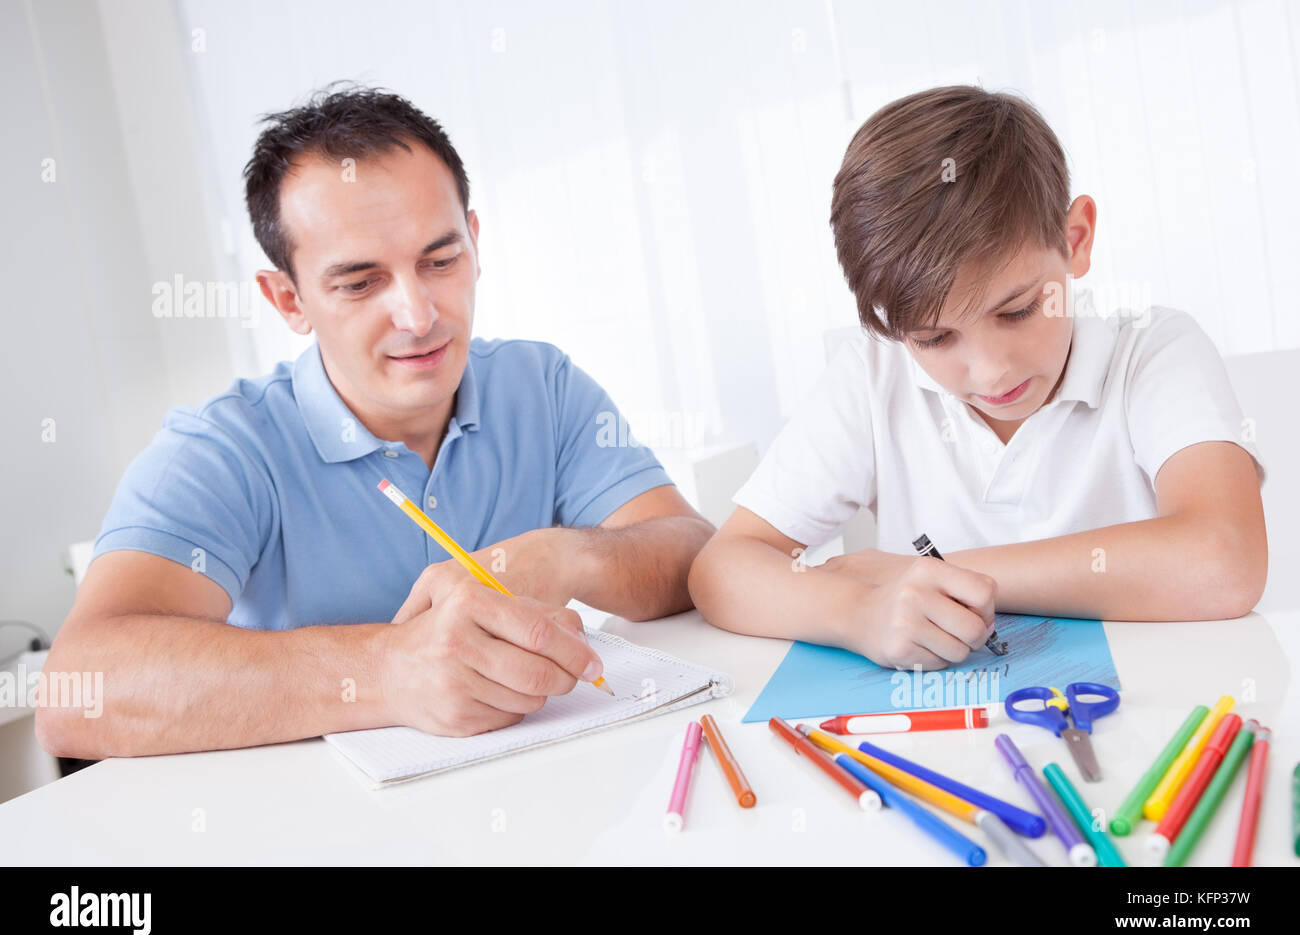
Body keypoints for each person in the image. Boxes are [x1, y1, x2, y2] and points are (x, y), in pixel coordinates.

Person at [38, 85, 713, 757]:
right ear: (288, 300)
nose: (419, 315)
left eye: (441, 260)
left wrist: (567, 555)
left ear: (475, 243)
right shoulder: (223, 448)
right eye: (360, 283)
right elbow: (80, 688)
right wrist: (389, 670)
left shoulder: (542, 386)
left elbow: (691, 552)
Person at [689, 85, 1267, 671]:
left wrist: (938, 574)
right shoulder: (871, 378)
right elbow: (722, 569)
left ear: (1076, 241)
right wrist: (853, 612)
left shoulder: (1153, 350)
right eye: (934, 338)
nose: (991, 370)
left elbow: (1225, 560)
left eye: (1016, 311)